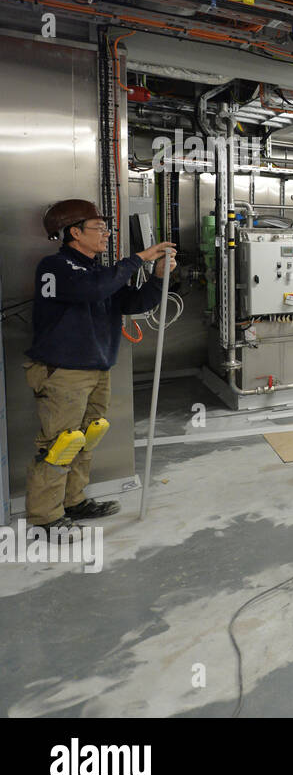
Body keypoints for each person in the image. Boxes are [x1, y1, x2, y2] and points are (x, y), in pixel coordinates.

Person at [24, 199, 177, 535]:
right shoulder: (56, 266)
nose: (106, 233)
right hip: (64, 372)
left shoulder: (99, 272)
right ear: (73, 233)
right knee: (60, 443)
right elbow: (92, 292)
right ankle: (45, 518)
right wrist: (137, 259)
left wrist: (155, 278)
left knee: (85, 438)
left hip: (97, 367)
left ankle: (74, 501)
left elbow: (131, 303)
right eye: (99, 228)